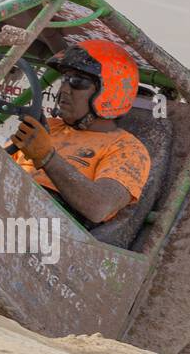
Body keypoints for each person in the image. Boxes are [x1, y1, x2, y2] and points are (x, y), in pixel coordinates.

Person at [9, 39, 151, 224]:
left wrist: (47, 158)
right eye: (65, 80)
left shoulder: (128, 150)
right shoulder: (48, 126)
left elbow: (99, 207)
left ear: (109, 91)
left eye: (77, 81)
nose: (65, 89)